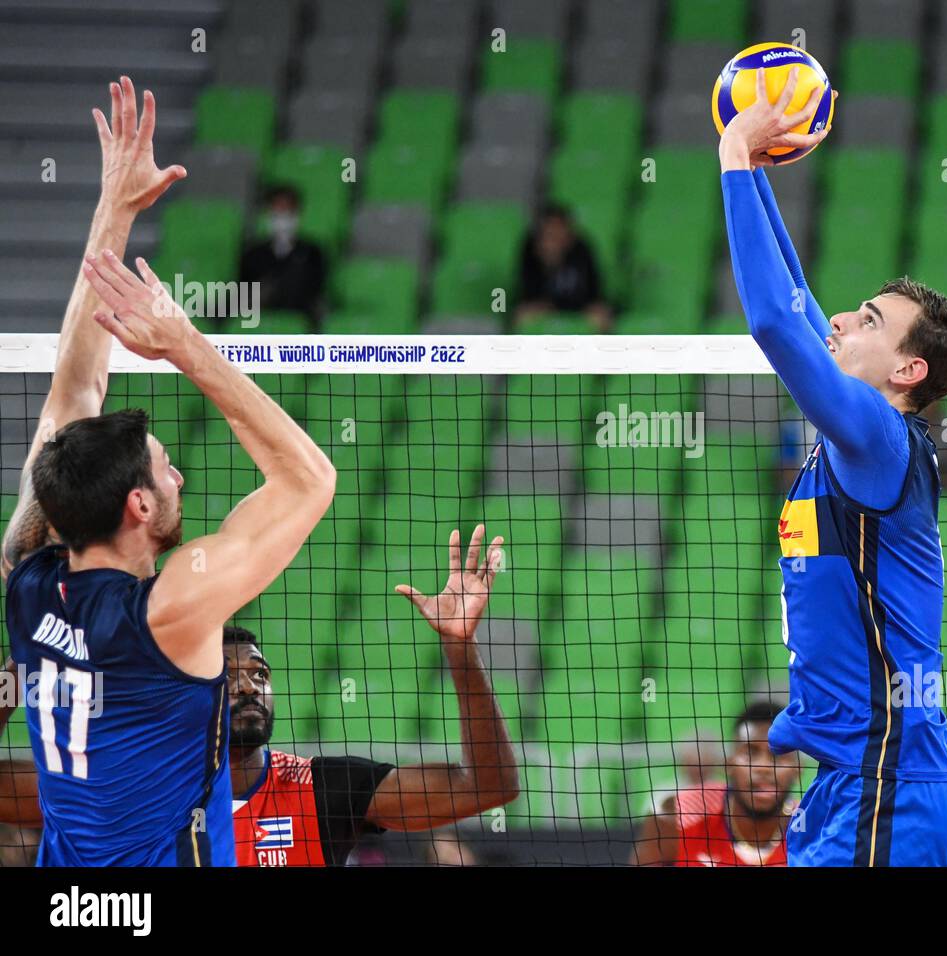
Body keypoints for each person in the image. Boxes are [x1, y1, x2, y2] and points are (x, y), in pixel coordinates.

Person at [0, 75, 337, 866]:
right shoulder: (173, 610)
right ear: (138, 506)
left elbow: (73, 393)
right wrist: (184, 344)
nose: (179, 473)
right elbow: (308, 480)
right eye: (166, 466)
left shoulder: (25, 573)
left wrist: (116, 209)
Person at [719, 66, 947, 866]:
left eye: (868, 320)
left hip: (890, 786)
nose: (839, 315)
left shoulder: (879, 437)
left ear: (907, 375)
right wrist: (757, 173)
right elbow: (796, 304)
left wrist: (732, 155)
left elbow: (773, 322)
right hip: (849, 783)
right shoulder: (847, 446)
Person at [0, 526, 520, 867]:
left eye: (260, 673)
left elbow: (488, 786)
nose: (249, 685)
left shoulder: (324, 791)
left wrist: (459, 648)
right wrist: (24, 656)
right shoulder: (120, 783)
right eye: (228, 676)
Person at [630, 701, 800, 866]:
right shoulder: (677, 816)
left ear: (797, 769)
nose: (763, 768)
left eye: (777, 756)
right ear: (729, 764)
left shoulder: (816, 829)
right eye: (750, 753)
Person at [238, 184, 327, 325]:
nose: (282, 218)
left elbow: (315, 290)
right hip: (258, 318)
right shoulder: (252, 254)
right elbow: (242, 290)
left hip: (299, 316)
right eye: (277, 211)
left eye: (286, 211)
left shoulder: (312, 253)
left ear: (297, 214)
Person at [516, 203, 611, 331]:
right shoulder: (531, 248)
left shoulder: (582, 248)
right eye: (550, 231)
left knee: (601, 316)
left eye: (559, 229)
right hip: (544, 305)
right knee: (522, 316)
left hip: (578, 306)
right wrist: (548, 264)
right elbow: (527, 291)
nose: (555, 235)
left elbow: (593, 291)